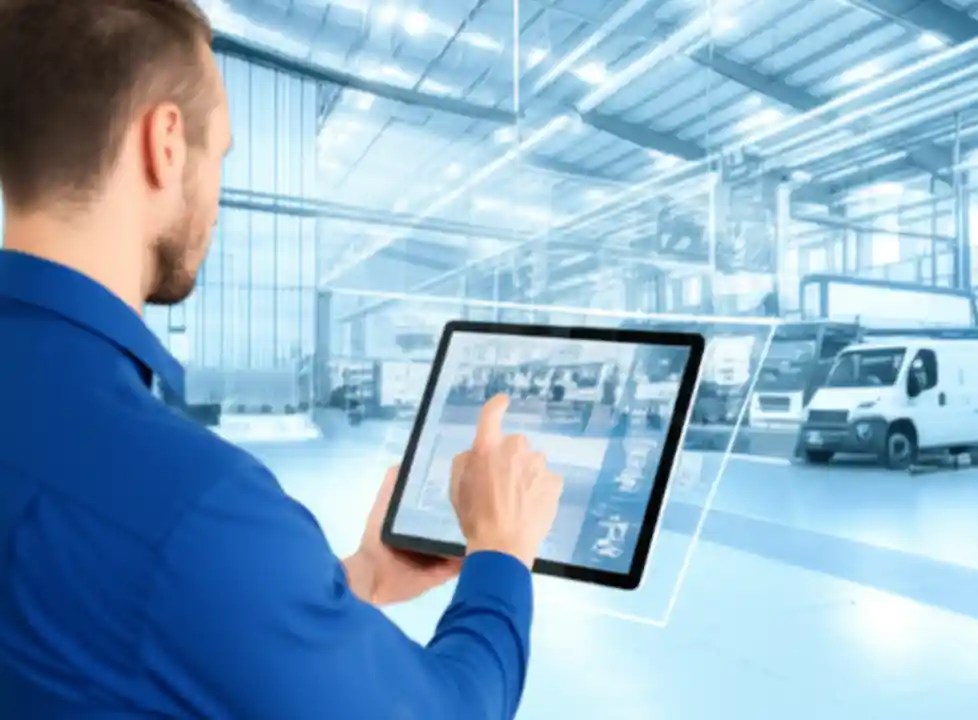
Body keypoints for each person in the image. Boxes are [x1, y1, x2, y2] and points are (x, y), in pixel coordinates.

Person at [0, 1, 563, 718]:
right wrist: (502, 556)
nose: (217, 195)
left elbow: (102, 618)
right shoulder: (193, 503)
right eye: (221, 154)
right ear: (166, 144)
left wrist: (348, 582)